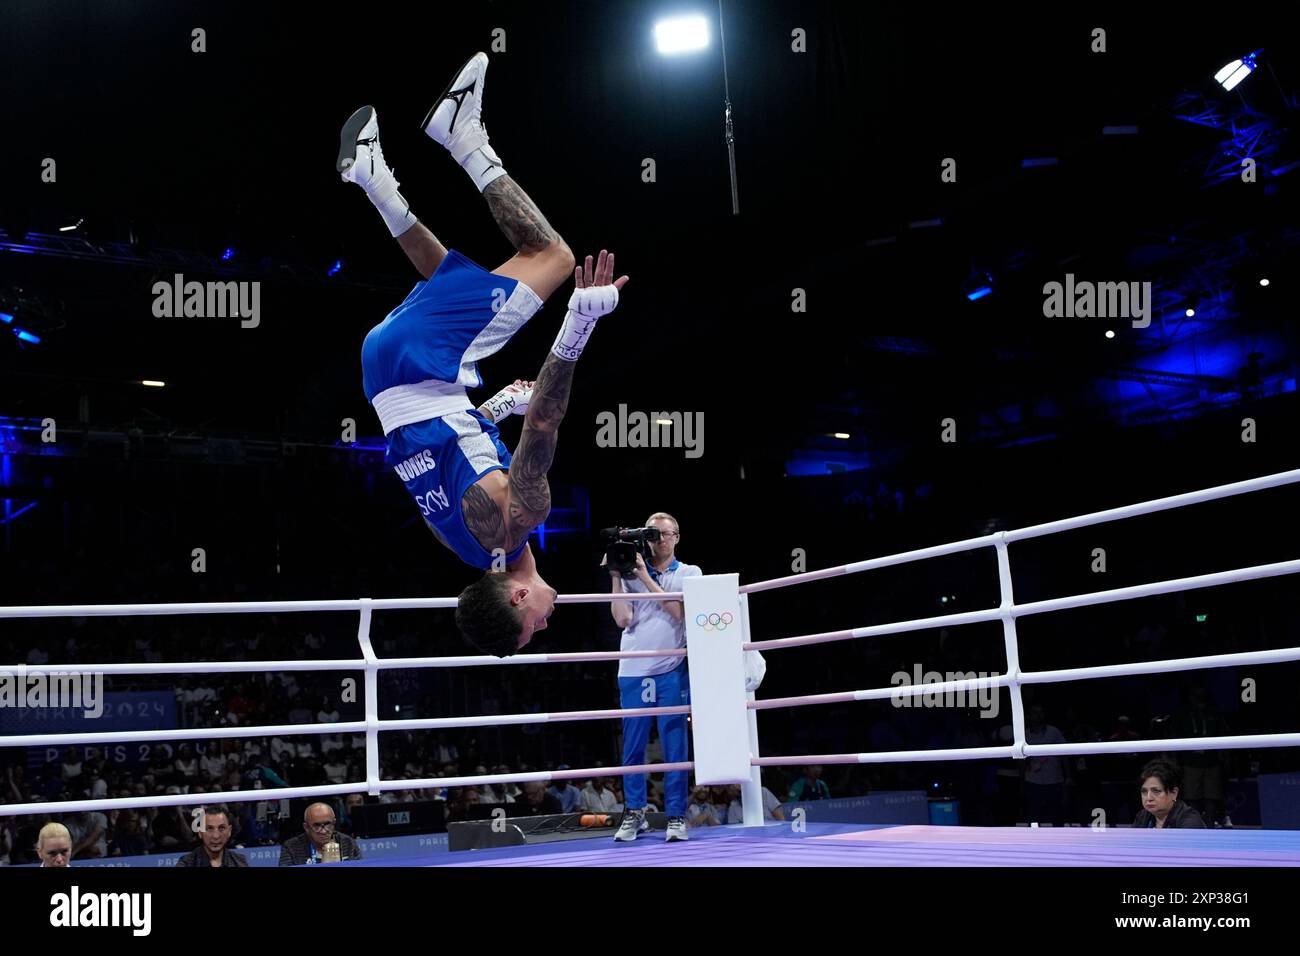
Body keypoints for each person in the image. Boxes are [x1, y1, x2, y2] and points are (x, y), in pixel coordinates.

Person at [338, 51, 629, 657]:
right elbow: (436, 447)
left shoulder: (520, 518)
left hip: (423, 366)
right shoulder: (463, 546)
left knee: (550, 257)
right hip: (385, 377)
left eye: (533, 629)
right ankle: (375, 180)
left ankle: (463, 135)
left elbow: (546, 421)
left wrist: (580, 321)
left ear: (517, 600)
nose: (546, 624)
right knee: (448, 276)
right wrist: (494, 409)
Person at [607, 512, 699, 843]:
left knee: (674, 744)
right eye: (652, 534)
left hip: (671, 669)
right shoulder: (629, 572)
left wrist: (645, 577)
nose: (659, 540)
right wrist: (617, 577)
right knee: (632, 747)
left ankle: (675, 816)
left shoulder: (690, 573)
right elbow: (622, 619)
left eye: (664, 534)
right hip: (632, 669)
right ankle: (635, 812)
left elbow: (680, 612)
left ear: (676, 537)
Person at [278, 802, 363, 865]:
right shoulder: (291, 847)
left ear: (334, 823)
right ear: (306, 827)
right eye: (317, 826)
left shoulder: (348, 843)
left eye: (328, 824)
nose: (323, 831)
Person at [1131, 760, 1206, 829]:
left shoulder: (1189, 821)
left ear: (1174, 793)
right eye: (1144, 792)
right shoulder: (1142, 816)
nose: (1149, 798)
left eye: (1156, 791)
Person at [176, 806, 249, 867]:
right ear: (200, 833)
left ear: (229, 831)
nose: (216, 836)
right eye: (209, 828)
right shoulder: (186, 864)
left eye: (221, 828)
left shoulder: (239, 862)